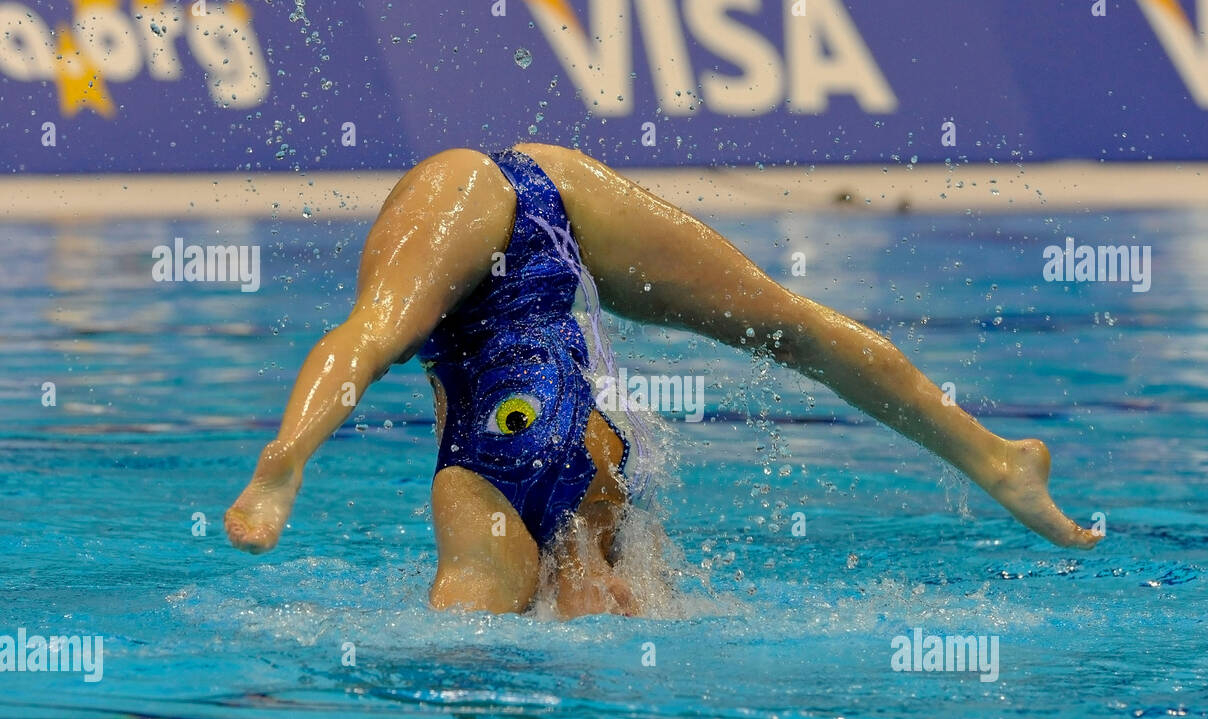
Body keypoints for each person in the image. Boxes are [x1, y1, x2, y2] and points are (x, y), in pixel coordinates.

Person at [225, 143, 1100, 618]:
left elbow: (369, 339)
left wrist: (288, 460)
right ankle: (993, 457)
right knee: (782, 323)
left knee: (483, 627)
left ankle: (289, 457)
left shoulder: (451, 193)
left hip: (520, 409)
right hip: (586, 388)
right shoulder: (525, 193)